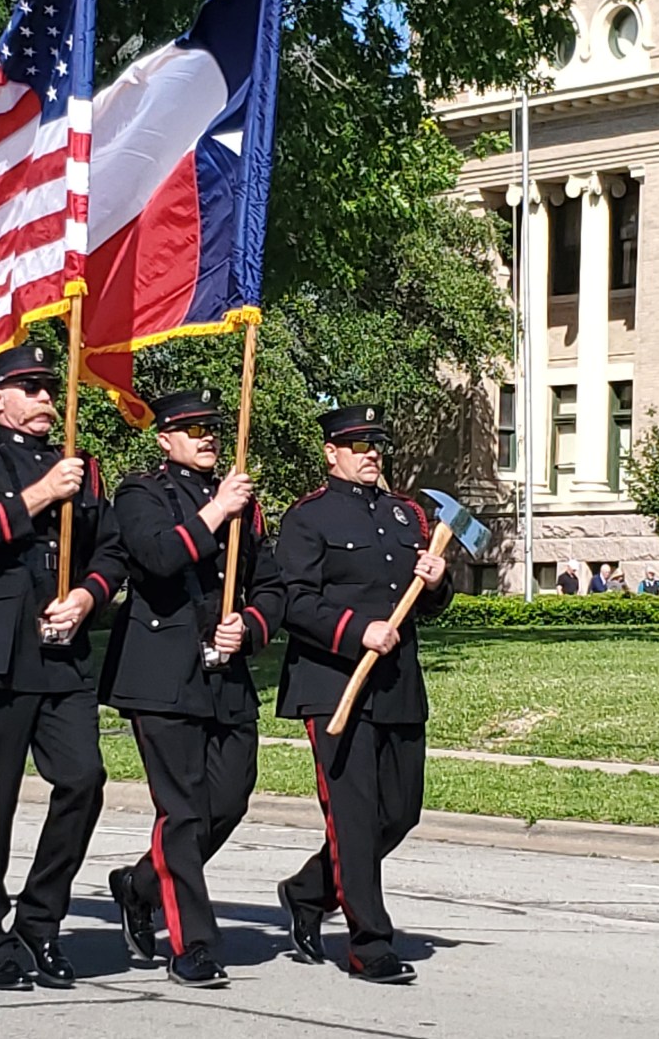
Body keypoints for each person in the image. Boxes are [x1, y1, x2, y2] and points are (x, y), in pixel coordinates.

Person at [0, 343, 126, 992]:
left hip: (61, 651)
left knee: (84, 778)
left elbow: (112, 551)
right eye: (33, 388)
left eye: (51, 388)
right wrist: (45, 491)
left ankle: (39, 920)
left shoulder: (83, 464)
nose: (48, 398)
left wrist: (87, 595)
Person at [101, 389, 285, 988]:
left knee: (228, 800)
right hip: (161, 671)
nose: (207, 437)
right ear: (165, 439)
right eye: (193, 428)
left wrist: (250, 625)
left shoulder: (244, 505)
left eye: (212, 427)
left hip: (224, 671)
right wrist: (214, 513)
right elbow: (155, 557)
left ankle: (140, 885)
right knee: (180, 812)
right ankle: (193, 945)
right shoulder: (140, 492)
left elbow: (272, 584)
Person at [272, 405, 451, 986]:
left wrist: (436, 582)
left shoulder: (407, 516)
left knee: (397, 814)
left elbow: (426, 606)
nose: (370, 453)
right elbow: (294, 604)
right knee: (351, 818)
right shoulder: (308, 518)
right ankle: (368, 944)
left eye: (376, 443)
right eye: (356, 444)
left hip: (397, 683)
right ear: (331, 453)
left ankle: (306, 891)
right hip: (333, 687)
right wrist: (356, 630)